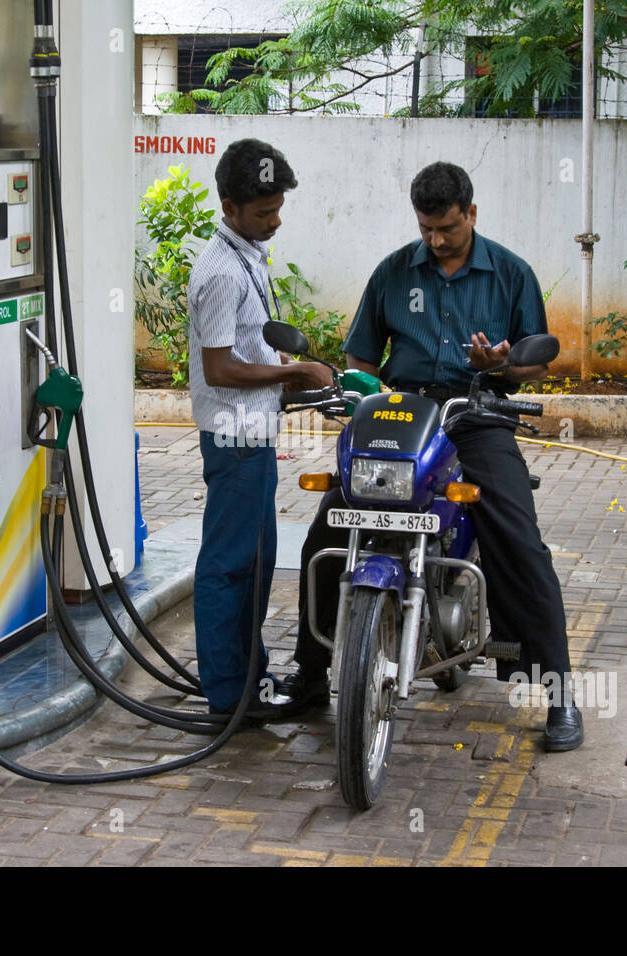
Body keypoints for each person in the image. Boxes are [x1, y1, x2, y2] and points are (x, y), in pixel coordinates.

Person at [281, 161, 583, 751]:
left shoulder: (510, 274)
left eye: (448, 228)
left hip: (477, 415)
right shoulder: (394, 272)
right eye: (427, 229)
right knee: (330, 525)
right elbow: (364, 361)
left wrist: (500, 366)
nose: (437, 240)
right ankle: (313, 674)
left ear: (471, 213)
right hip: (403, 415)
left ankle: (558, 692)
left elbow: (534, 363)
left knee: (518, 538)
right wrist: (347, 393)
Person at [187, 139, 332, 718]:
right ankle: (229, 694)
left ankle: (250, 678)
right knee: (229, 565)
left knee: (258, 560)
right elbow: (219, 365)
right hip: (235, 438)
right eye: (262, 213)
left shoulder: (246, 253)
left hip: (253, 435)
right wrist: (292, 370)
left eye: (277, 210)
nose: (273, 222)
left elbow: (247, 347)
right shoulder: (222, 271)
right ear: (229, 206)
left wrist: (285, 377)